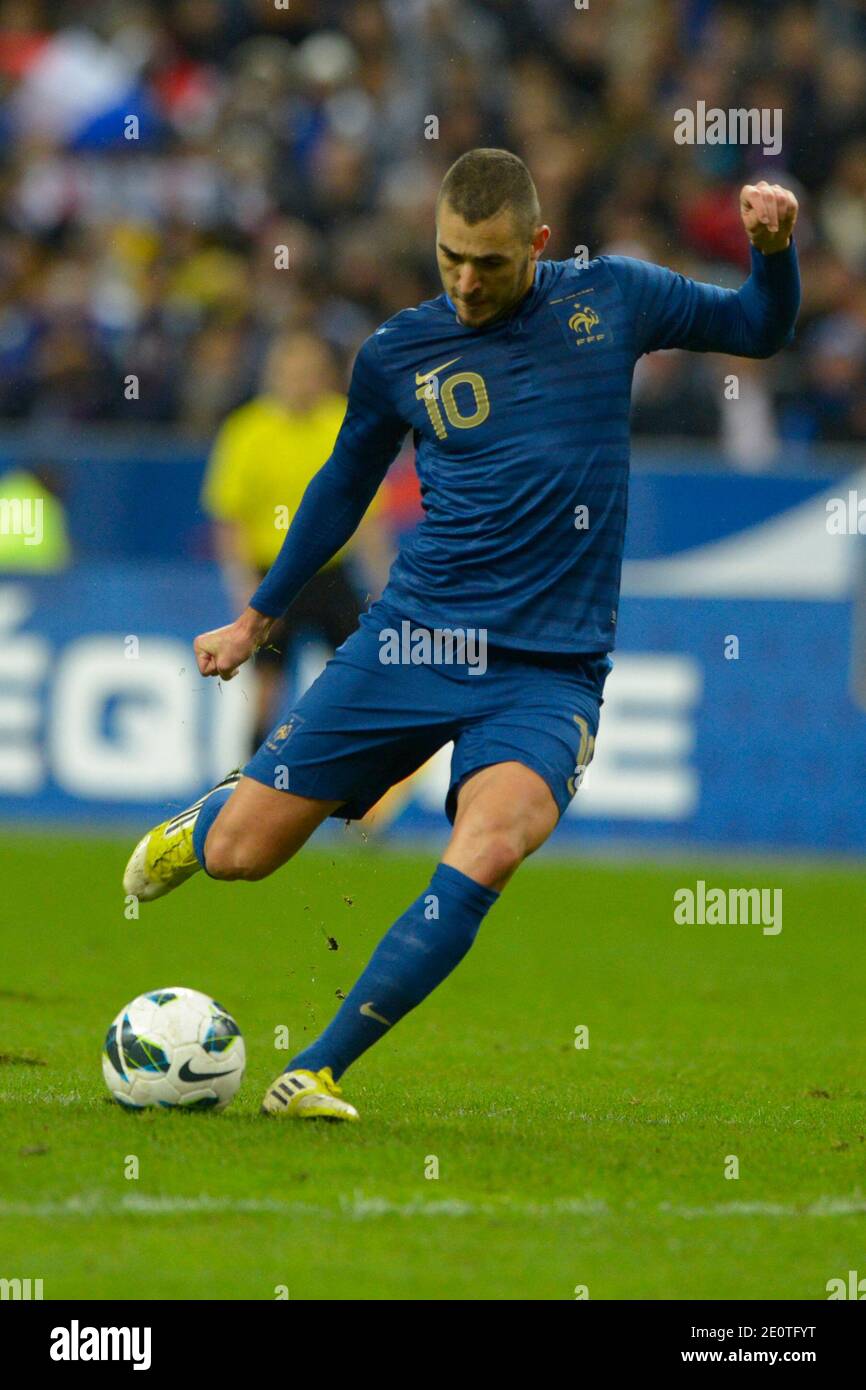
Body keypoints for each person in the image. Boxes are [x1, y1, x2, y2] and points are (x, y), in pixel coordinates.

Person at [124, 149, 800, 1123]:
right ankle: (201, 823)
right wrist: (256, 618)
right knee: (241, 855)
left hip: (548, 671)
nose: (467, 282)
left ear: (535, 242)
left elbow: (756, 327)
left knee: (486, 847)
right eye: (449, 259)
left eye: (488, 262)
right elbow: (340, 488)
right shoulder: (398, 353)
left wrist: (769, 251)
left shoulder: (611, 297)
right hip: (414, 638)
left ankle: (314, 1068)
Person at [202, 330, 390, 749]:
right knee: (266, 687)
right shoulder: (247, 430)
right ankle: (246, 779)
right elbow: (230, 520)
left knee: (354, 677)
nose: (299, 381)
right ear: (273, 374)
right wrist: (244, 587)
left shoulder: (343, 421)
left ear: (323, 375)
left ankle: (351, 779)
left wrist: (383, 583)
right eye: (290, 371)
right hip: (272, 576)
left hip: (330, 572)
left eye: (308, 372)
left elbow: (368, 516)